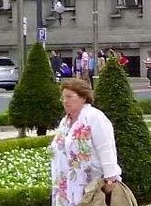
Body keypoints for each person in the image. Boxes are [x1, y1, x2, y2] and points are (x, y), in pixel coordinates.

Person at [51, 78, 125, 206]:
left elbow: (106, 148)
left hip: (91, 186)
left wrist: (110, 178)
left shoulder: (94, 117)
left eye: (69, 97)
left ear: (83, 98)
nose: (65, 101)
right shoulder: (65, 122)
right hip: (65, 186)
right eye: (63, 98)